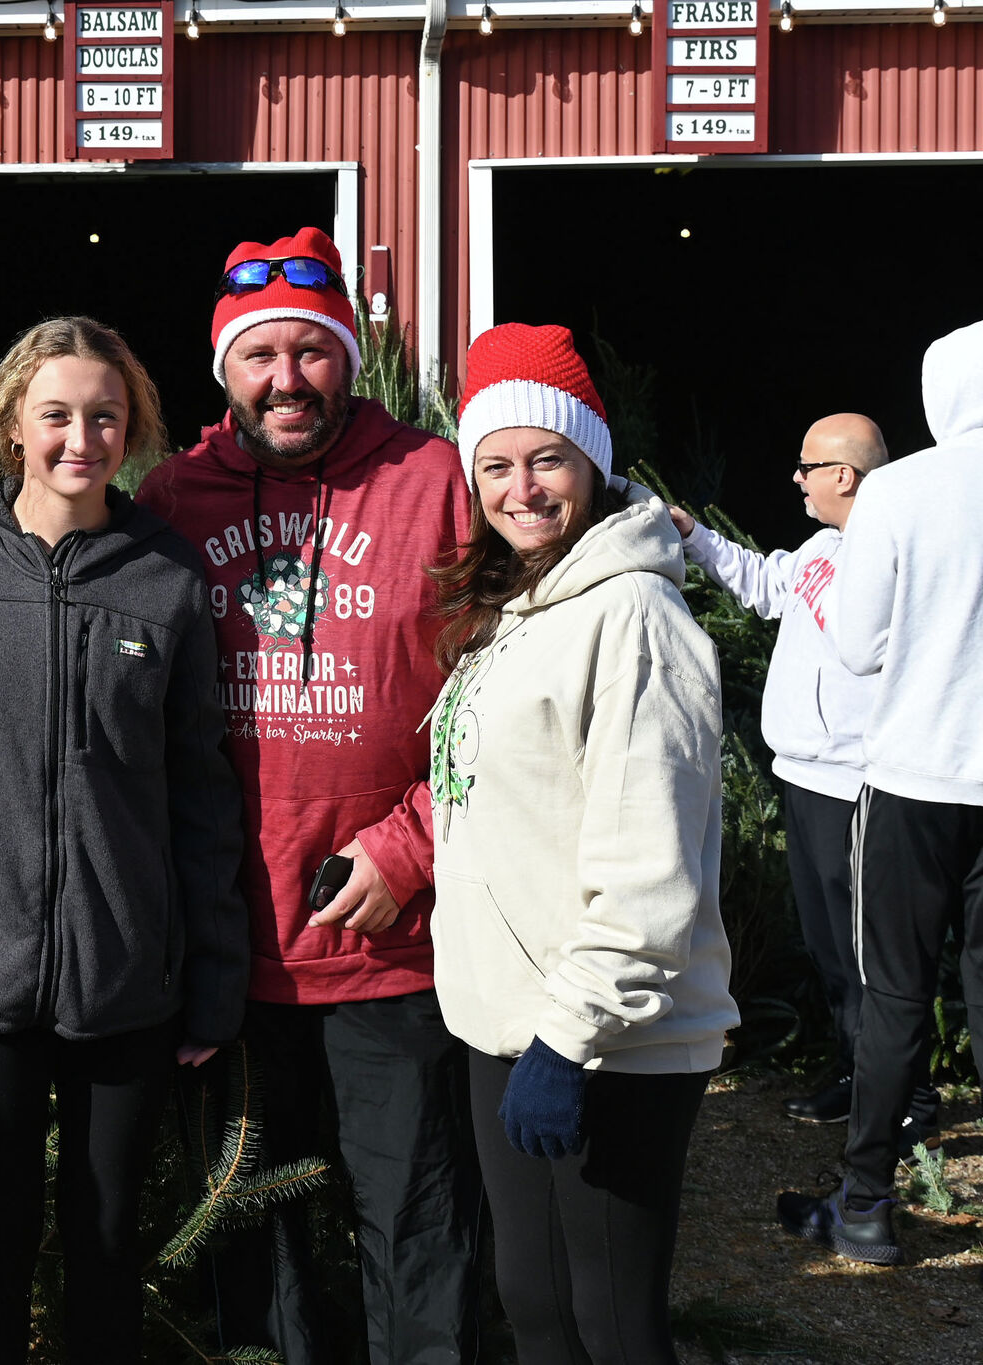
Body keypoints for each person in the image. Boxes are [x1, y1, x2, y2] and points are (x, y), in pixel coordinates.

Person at [135, 228, 481, 1364]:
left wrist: (413, 848)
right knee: (254, 1229)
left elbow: (502, 704)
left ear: (349, 356)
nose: (285, 379)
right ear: (223, 368)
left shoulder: (433, 484)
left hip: (388, 938)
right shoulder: (170, 498)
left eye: (310, 352)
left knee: (414, 1223)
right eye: (258, 355)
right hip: (232, 945)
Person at [0, 317, 249, 1363]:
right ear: (12, 425)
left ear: (132, 429)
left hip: (124, 983)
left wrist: (211, 971)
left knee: (106, 1241)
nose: (80, 437)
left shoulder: (163, 575)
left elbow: (198, 788)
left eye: (104, 416)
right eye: (55, 415)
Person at [429, 323, 738, 1365]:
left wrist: (569, 1040)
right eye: (496, 466)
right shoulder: (520, 607)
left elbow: (650, 866)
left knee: (608, 1323)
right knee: (537, 1306)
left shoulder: (633, 618)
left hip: (605, 1036)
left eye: (547, 459)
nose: (521, 489)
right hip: (507, 1021)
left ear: (593, 465)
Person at [666, 417, 940, 1133]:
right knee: (827, 945)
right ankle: (858, 1074)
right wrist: (693, 534)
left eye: (807, 465)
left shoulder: (896, 550)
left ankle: (905, 1096)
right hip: (806, 777)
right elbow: (763, 582)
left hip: (856, 783)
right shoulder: (822, 548)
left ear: (844, 475)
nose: (797, 476)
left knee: (865, 950)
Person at [780, 318, 983, 1266]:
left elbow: (858, 645)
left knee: (895, 993)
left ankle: (864, 1205)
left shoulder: (903, 491)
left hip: (912, 781)